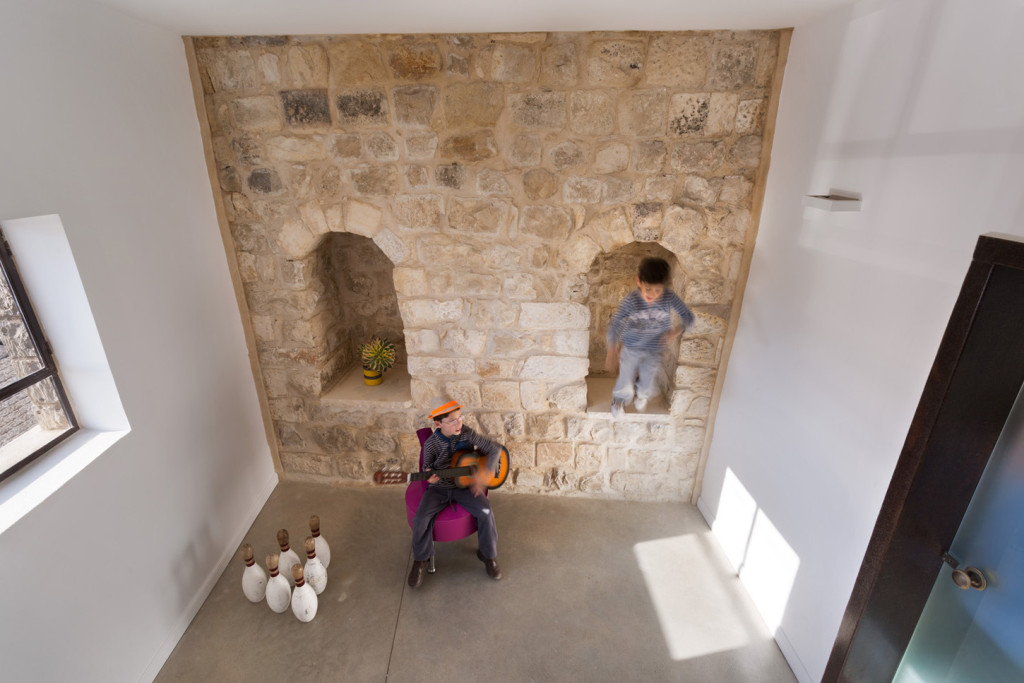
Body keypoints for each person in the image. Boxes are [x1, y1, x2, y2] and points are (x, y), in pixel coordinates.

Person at [408, 397, 503, 588]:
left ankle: (487, 555)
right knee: (421, 519)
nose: (459, 423)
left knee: (485, 512)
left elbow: (494, 449)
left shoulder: (467, 433)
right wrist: (429, 476)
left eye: (460, 418)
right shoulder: (431, 445)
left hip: (464, 487)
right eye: (452, 421)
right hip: (438, 489)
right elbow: (427, 468)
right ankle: (421, 560)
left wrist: (483, 477)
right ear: (437, 423)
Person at [605, 256, 695, 418]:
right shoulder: (632, 300)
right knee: (625, 380)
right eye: (648, 289)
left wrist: (676, 331)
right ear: (639, 282)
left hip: (655, 350)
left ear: (664, 288)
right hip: (631, 348)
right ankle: (619, 400)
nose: (652, 295)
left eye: (658, 290)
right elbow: (615, 323)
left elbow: (688, 317)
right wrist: (612, 350)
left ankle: (642, 394)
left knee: (647, 383)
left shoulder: (669, 297)